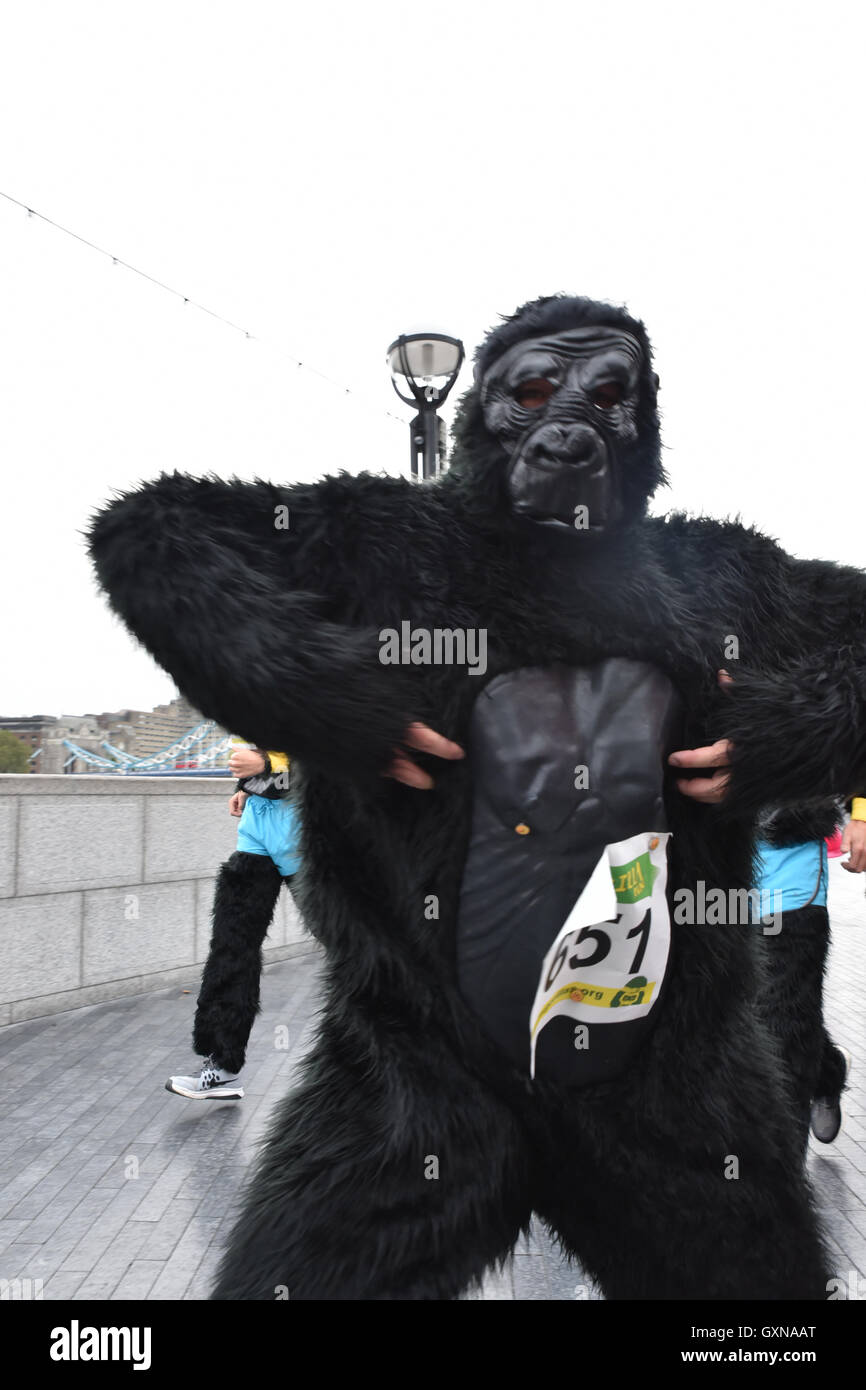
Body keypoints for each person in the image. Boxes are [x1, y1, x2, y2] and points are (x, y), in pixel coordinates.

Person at [166, 743, 301, 1100]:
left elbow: (339, 749)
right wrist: (247, 785)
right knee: (231, 946)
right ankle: (223, 1066)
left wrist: (268, 764)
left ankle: (407, 1057)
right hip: (258, 830)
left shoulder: (328, 686)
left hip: (313, 834)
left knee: (357, 954)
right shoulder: (257, 692)